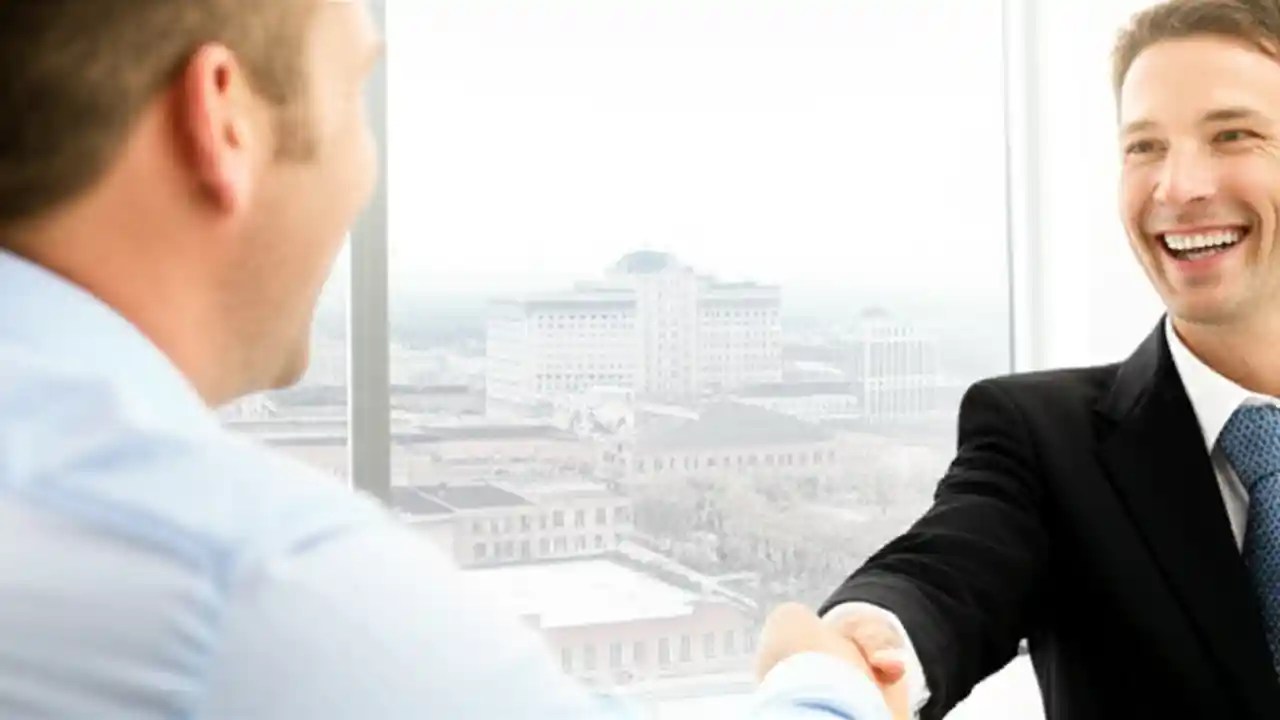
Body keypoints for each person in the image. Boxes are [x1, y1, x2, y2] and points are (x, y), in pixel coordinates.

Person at [0, 1, 909, 718]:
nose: (366, 172)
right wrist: (823, 682)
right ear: (225, 118)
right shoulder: (241, 581)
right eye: (355, 91)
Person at [809, 1, 1280, 719]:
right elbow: (943, 577)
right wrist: (862, 653)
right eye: (1144, 146)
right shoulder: (1042, 442)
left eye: (1233, 134)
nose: (1176, 188)